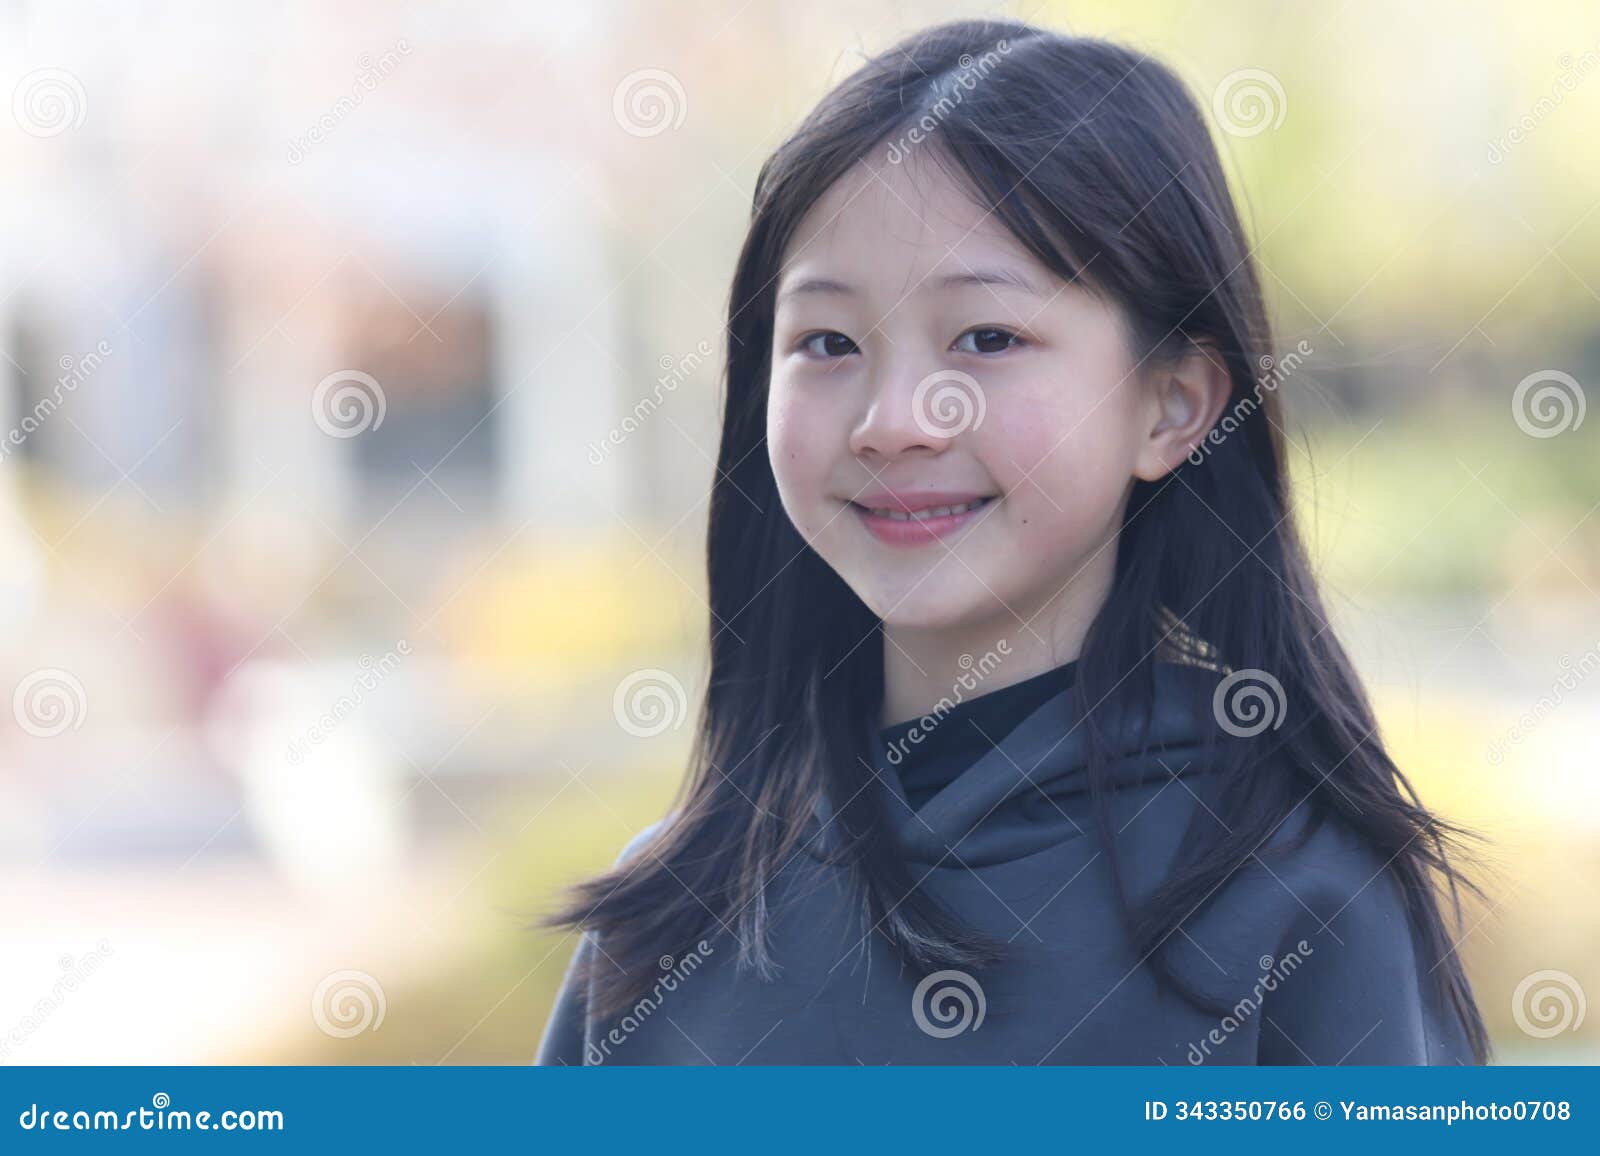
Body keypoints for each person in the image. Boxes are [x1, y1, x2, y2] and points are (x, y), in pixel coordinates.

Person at [535, 17, 1491, 1065]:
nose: (894, 418)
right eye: (826, 342)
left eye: (987, 337)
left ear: (1171, 406)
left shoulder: (1299, 902)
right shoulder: (664, 923)